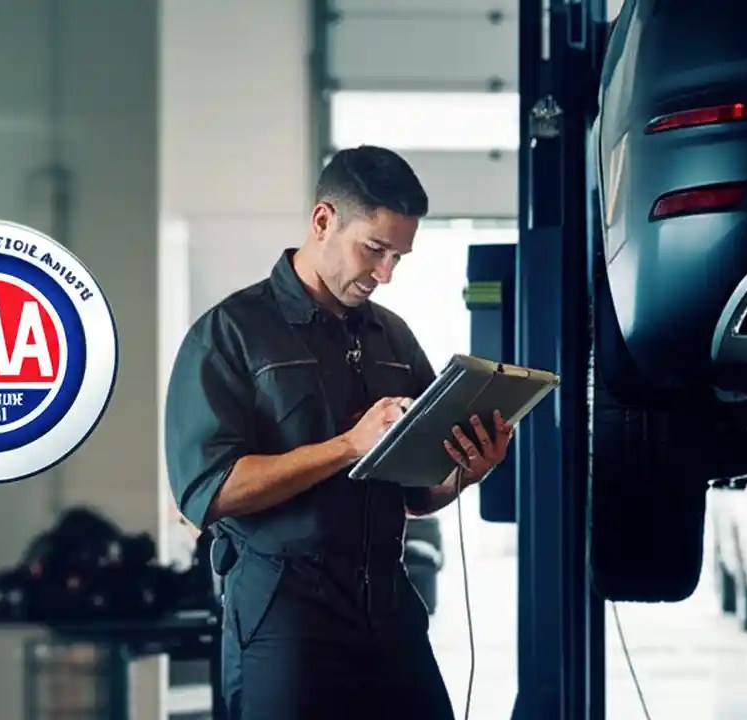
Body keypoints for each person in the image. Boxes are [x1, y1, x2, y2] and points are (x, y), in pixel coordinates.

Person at [163, 145, 515, 719]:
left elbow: (415, 495)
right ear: (323, 221)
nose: (386, 274)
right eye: (374, 249)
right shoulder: (231, 334)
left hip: (388, 601)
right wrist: (347, 446)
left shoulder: (392, 338)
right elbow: (208, 492)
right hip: (285, 607)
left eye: (399, 256)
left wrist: (464, 472)